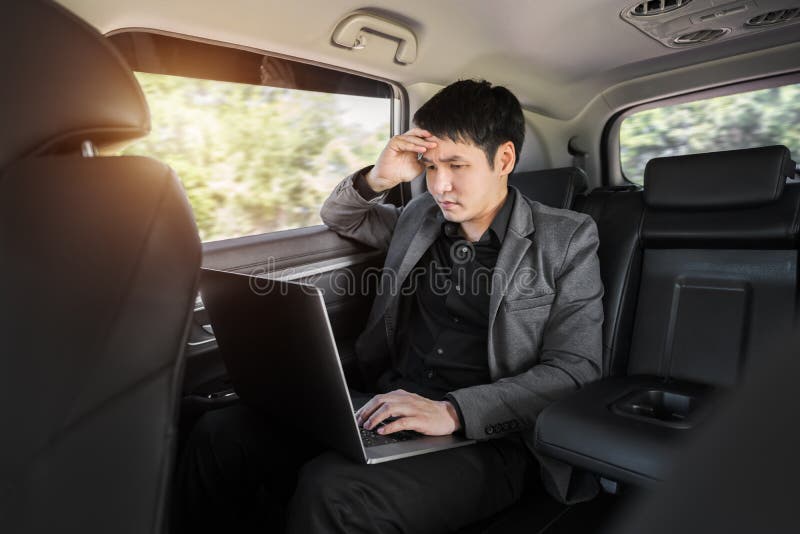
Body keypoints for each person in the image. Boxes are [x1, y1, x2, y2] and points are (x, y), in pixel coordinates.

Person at [174, 79, 604, 533]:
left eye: (457, 165)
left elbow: (575, 370)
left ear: (504, 159)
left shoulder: (567, 238)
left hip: (488, 437)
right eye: (430, 165)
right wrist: (379, 178)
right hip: (383, 401)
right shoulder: (421, 218)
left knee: (334, 492)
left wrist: (453, 411)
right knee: (221, 434)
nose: (439, 184)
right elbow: (342, 216)